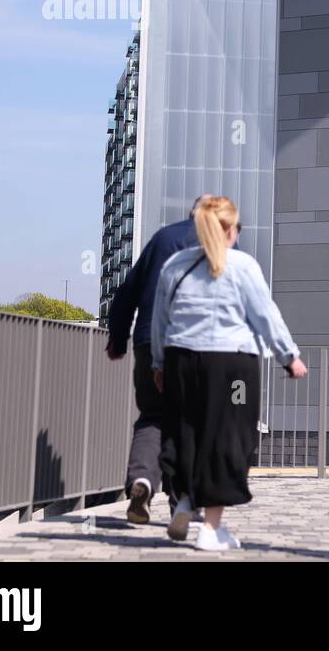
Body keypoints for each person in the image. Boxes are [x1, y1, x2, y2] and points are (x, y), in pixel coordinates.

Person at [151, 196, 306, 551]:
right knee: (227, 437)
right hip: (232, 367)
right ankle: (211, 527)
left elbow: (162, 320)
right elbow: (265, 315)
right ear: (229, 229)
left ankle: (186, 499)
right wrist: (289, 356)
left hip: (181, 360)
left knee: (185, 432)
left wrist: (159, 364)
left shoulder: (175, 265)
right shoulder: (242, 265)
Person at [107, 194, 213, 525]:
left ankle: (142, 481)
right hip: (198, 346)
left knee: (153, 416)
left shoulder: (163, 238)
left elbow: (127, 292)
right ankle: (182, 498)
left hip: (149, 340)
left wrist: (118, 338)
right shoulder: (221, 243)